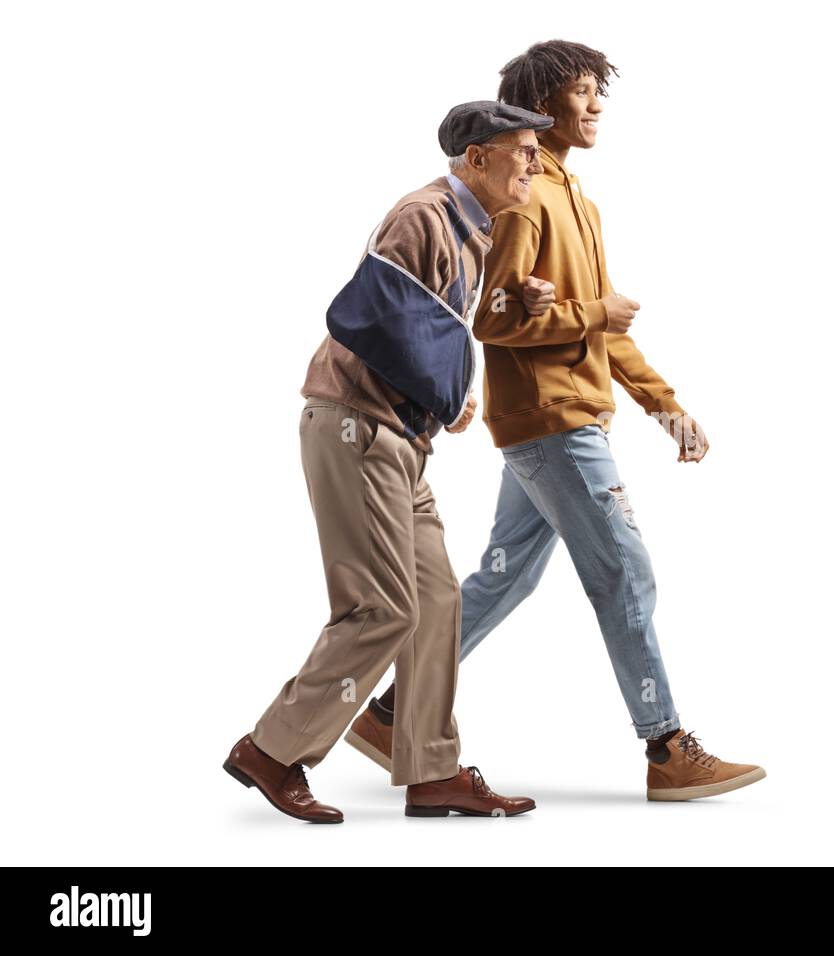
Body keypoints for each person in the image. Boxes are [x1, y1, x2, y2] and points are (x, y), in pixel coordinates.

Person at [351, 41, 765, 801]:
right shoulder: (526, 194)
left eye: (596, 91)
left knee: (502, 582)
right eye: (582, 91)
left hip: (558, 421)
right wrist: (590, 312)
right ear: (543, 108)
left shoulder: (577, 199)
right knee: (626, 575)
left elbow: (604, 331)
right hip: (553, 424)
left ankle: (389, 713)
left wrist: (663, 405)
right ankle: (667, 747)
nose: (597, 104)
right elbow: (493, 319)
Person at [223, 101, 553, 821]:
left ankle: (432, 771)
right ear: (476, 158)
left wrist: (509, 301)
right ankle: (273, 752)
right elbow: (375, 317)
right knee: (381, 610)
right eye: (522, 150)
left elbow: (436, 318)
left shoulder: (472, 234)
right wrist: (448, 386)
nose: (533, 161)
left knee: (437, 602)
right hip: (356, 430)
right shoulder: (423, 213)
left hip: (401, 441)